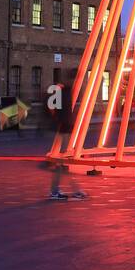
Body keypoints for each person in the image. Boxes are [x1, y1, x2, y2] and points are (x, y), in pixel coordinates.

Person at [46, 70, 86, 200]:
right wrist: (59, 121)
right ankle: (58, 190)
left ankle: (60, 190)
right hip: (64, 128)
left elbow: (54, 107)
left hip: (64, 127)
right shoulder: (63, 89)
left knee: (63, 161)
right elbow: (52, 106)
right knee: (62, 161)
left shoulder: (65, 89)